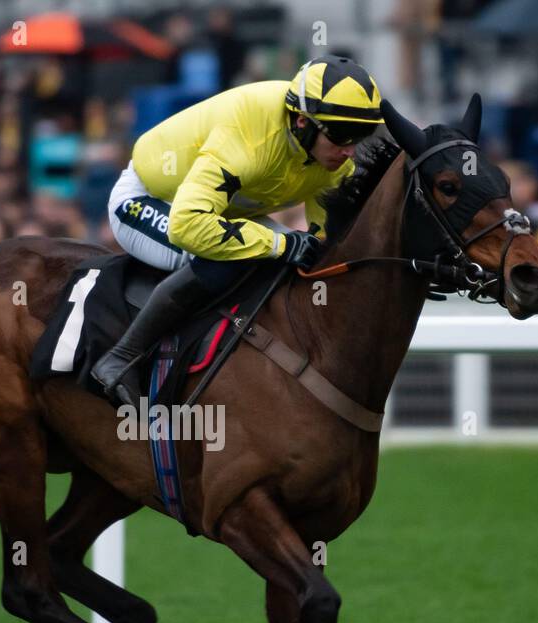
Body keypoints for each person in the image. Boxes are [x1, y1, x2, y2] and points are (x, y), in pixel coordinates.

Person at [91, 55, 385, 407]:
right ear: (303, 122)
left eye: (361, 136)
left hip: (217, 207)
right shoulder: (250, 138)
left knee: (292, 258)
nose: (349, 150)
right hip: (149, 201)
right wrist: (278, 242)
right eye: (340, 136)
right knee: (237, 256)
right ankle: (122, 357)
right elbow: (188, 225)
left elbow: (324, 243)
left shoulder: (331, 156)